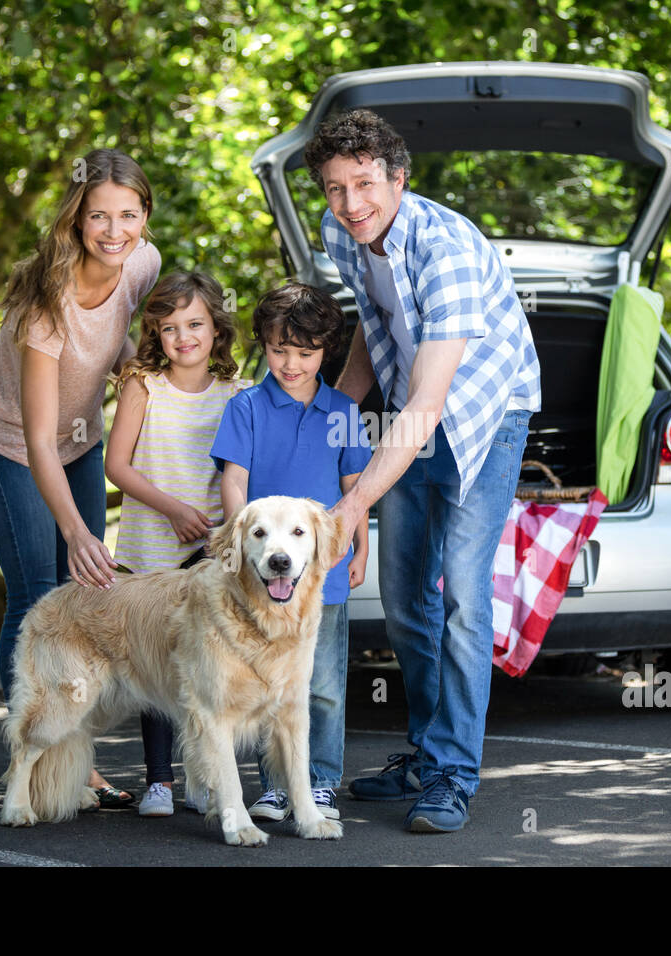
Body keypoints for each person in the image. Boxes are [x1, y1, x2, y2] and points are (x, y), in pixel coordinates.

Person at [305, 109, 541, 832]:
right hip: (411, 413)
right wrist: (325, 417)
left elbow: (429, 401)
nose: (352, 204)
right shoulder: (338, 234)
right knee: (406, 599)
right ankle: (428, 752)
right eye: (336, 188)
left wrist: (353, 506)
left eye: (366, 184)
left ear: (399, 179)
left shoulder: (449, 251)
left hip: (485, 416)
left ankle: (453, 777)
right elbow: (373, 337)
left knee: (465, 596)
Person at [0, 147, 161, 809]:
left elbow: (115, 344)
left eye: (128, 215)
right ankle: (32, 761)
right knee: (38, 598)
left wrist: (142, 370)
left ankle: (76, 762)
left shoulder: (143, 264)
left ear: (144, 216)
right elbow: (37, 439)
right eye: (99, 216)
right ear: (77, 221)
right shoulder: (44, 304)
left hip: (78, 441)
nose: (115, 230)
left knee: (82, 602)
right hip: (9, 444)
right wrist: (77, 531)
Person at [209, 282, 371, 823]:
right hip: (259, 576)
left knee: (320, 686)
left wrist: (360, 548)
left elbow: (355, 490)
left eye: (305, 352)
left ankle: (319, 782)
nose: (291, 363)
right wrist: (237, 551)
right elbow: (236, 483)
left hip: (321, 575)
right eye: (279, 350)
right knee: (260, 686)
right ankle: (276, 787)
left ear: (327, 351)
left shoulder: (344, 410)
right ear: (263, 345)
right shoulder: (246, 407)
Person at [104, 271, 251, 817]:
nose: (183, 336)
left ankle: (205, 776)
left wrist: (222, 532)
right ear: (156, 335)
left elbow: (242, 473)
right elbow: (115, 465)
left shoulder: (240, 394)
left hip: (211, 552)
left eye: (195, 324)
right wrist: (172, 508)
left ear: (217, 329)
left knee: (208, 665)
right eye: (169, 328)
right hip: (150, 546)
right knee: (155, 662)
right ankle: (159, 781)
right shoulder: (144, 385)